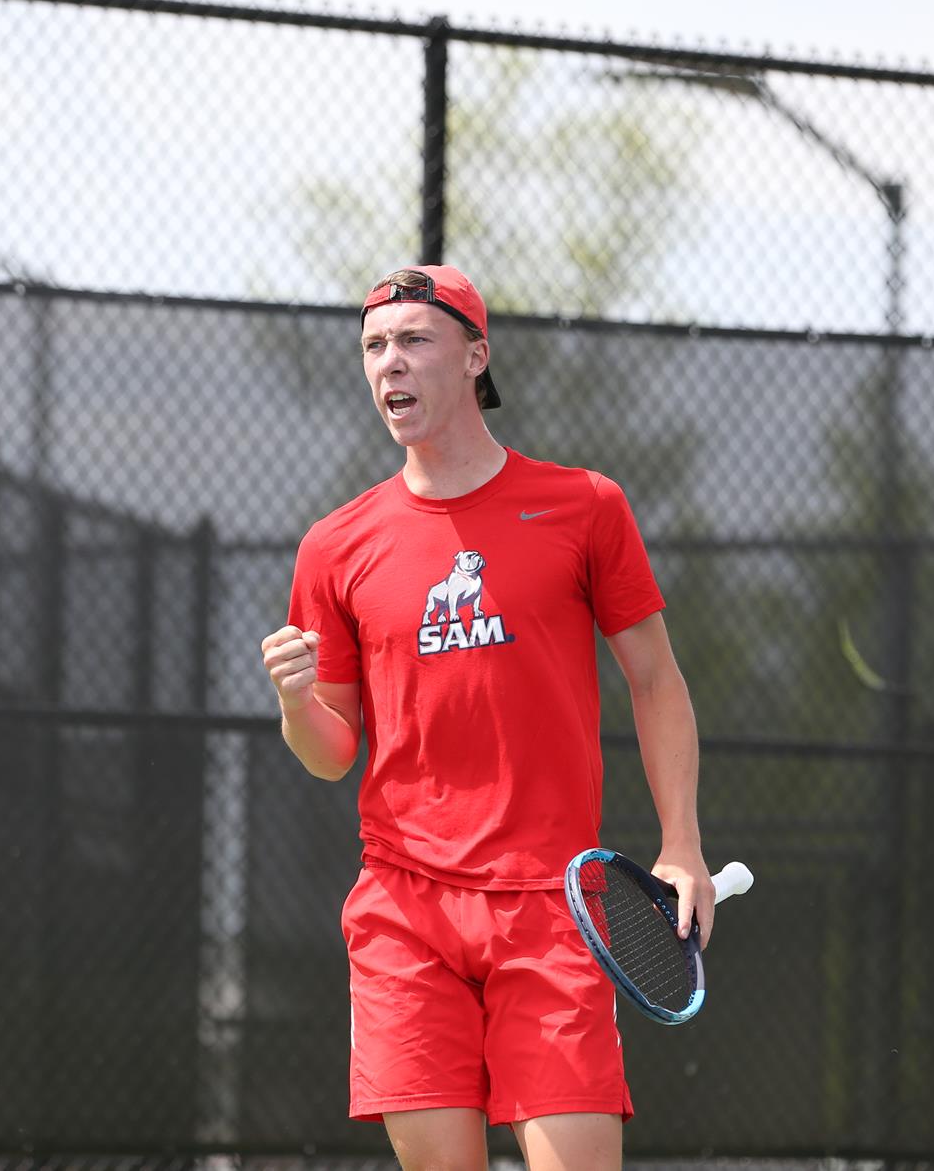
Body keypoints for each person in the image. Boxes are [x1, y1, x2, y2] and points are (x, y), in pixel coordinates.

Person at [258, 265, 711, 1171]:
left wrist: (682, 845)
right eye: (374, 346)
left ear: (475, 356)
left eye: (414, 340)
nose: (390, 361)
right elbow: (330, 752)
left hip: (556, 906)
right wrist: (295, 700)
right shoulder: (334, 546)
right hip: (403, 909)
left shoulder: (586, 506)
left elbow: (657, 681)